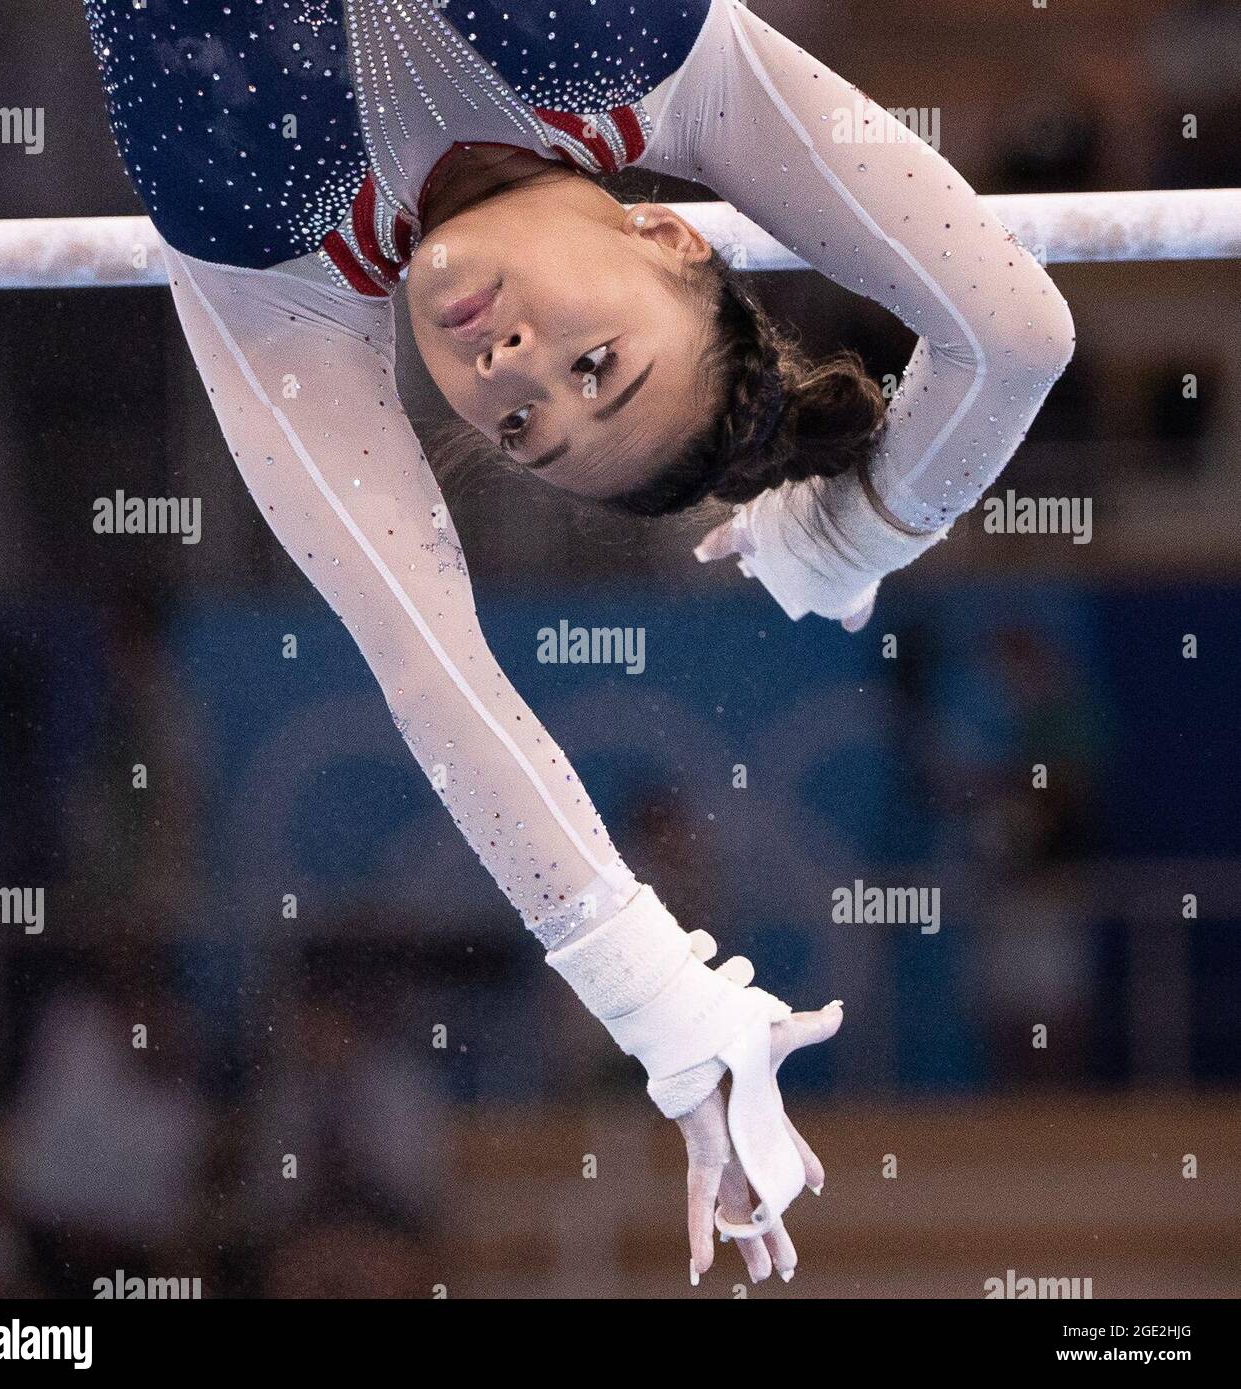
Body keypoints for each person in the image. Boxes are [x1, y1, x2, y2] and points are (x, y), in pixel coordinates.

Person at [84, 0, 1075, 1284]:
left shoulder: (264, 272)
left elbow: (430, 665)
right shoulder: (646, 53)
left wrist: (660, 1009)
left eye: (521, 426)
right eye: (597, 362)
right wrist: (854, 537)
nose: (512, 368)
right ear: (662, 234)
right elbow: (1011, 335)